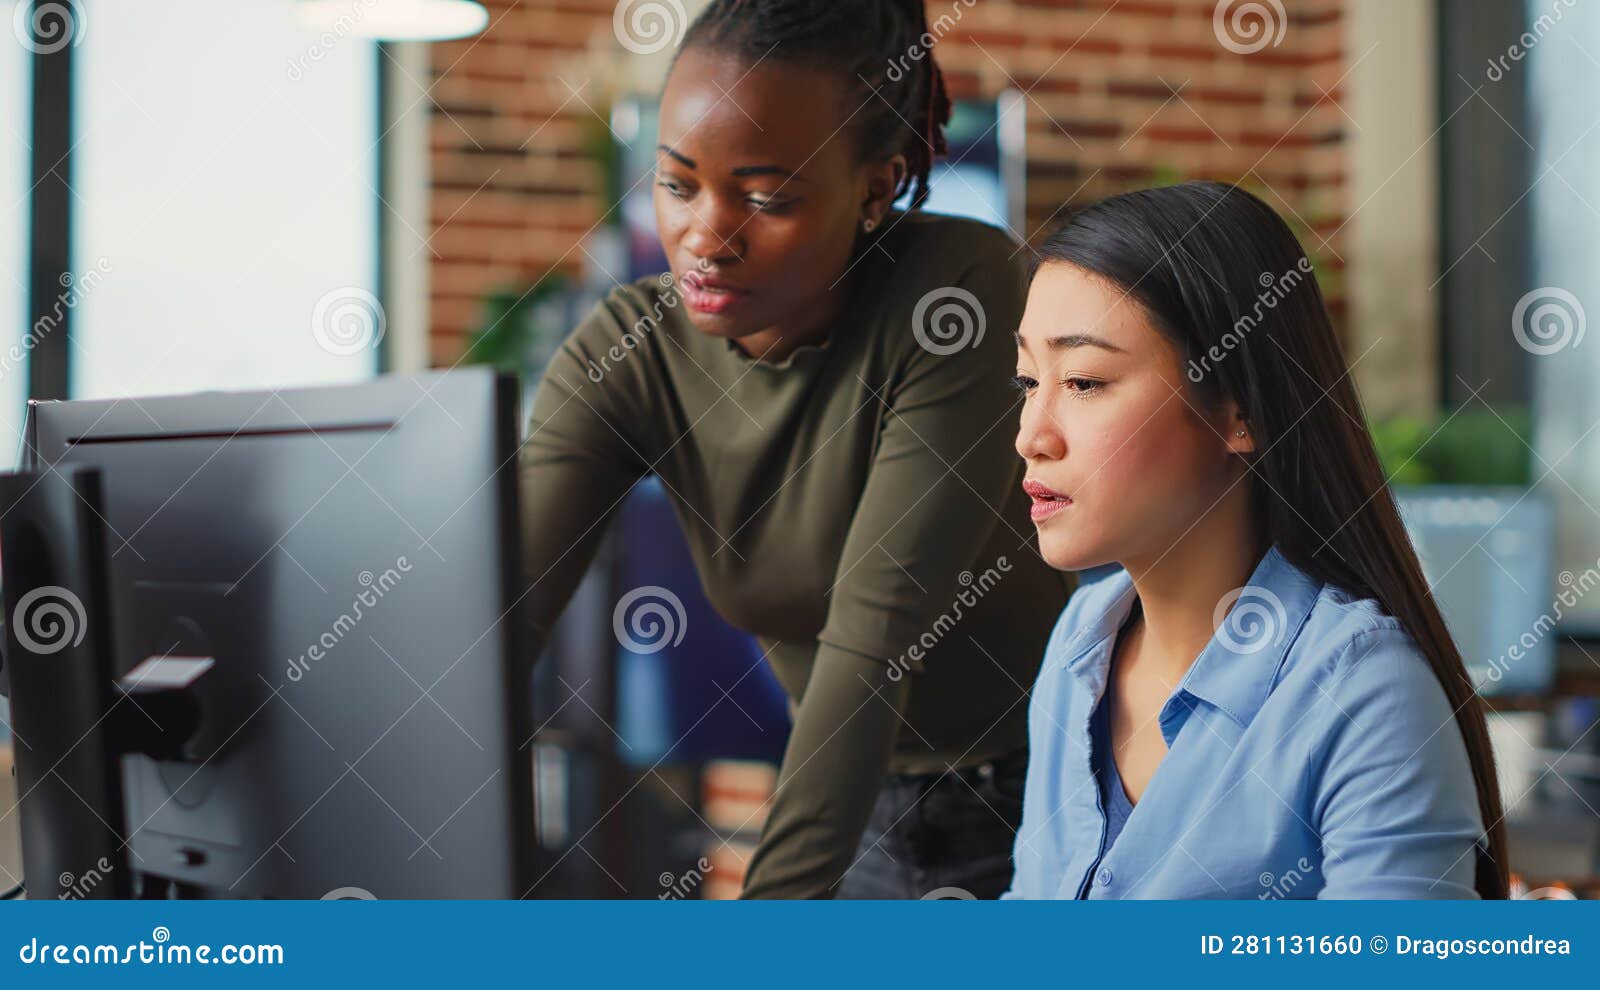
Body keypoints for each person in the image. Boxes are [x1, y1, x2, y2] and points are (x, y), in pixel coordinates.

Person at [519, 0, 1072, 899]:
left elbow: (873, 633)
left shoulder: (959, 293)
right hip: (857, 802)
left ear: (877, 187)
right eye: (678, 182)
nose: (705, 235)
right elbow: (492, 617)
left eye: (766, 196)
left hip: (1048, 792)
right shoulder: (633, 349)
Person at [1004, 182, 1508, 899]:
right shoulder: (1080, 641)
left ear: (1240, 412)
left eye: (1083, 381)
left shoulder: (1365, 692)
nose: (1031, 435)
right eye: (1027, 379)